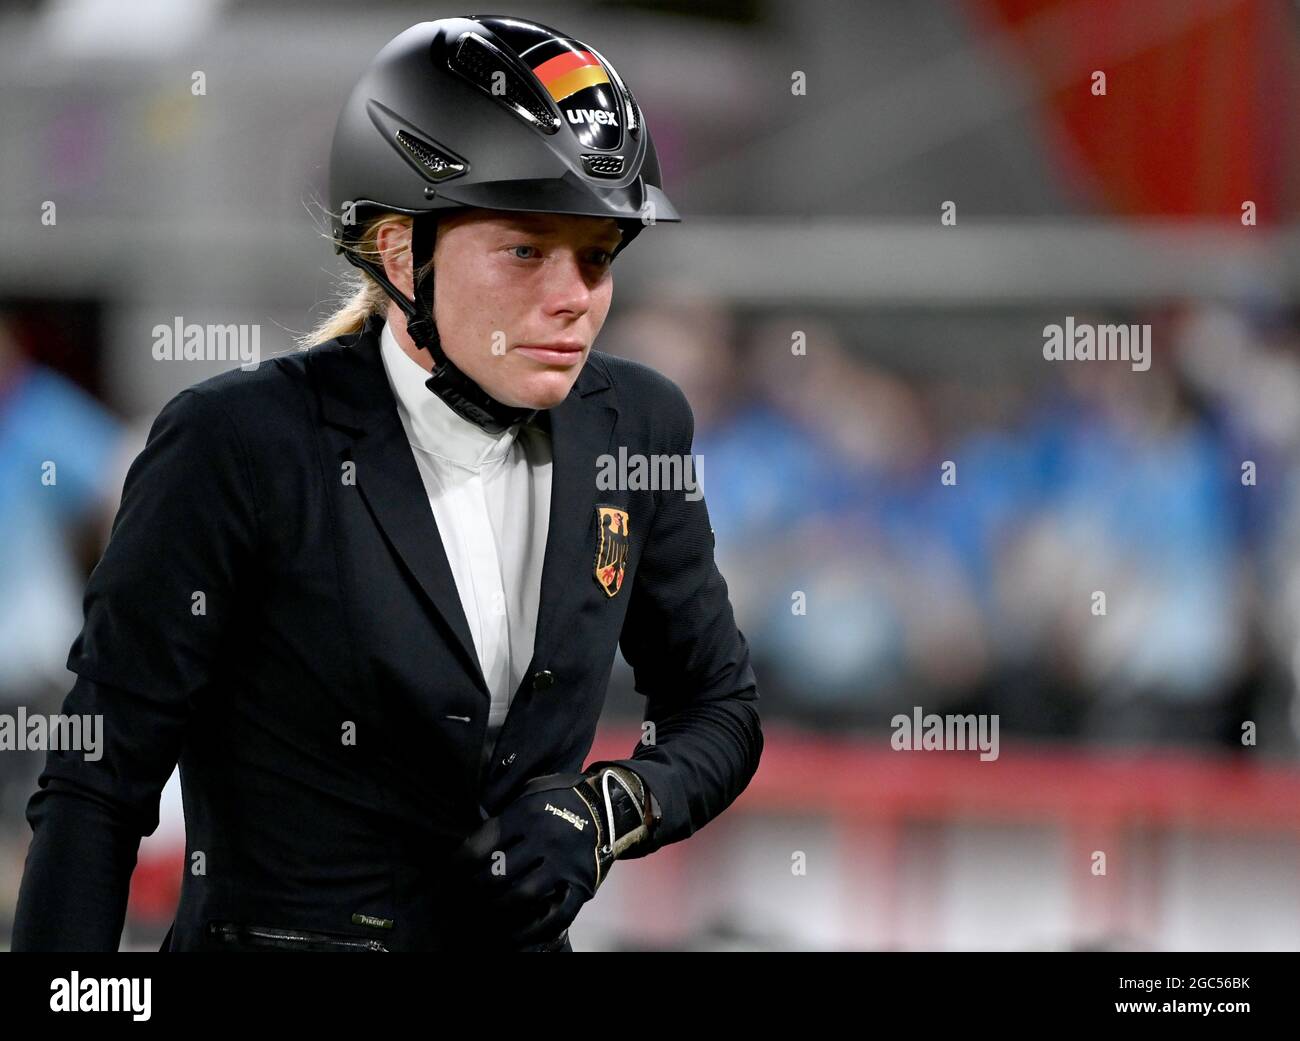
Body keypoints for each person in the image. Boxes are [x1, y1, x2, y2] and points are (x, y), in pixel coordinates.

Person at [11, 14, 762, 952]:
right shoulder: (237, 442)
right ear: (403, 254)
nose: (575, 296)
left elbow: (719, 707)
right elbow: (98, 780)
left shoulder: (638, 423)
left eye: (598, 255)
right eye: (528, 250)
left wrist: (612, 806)